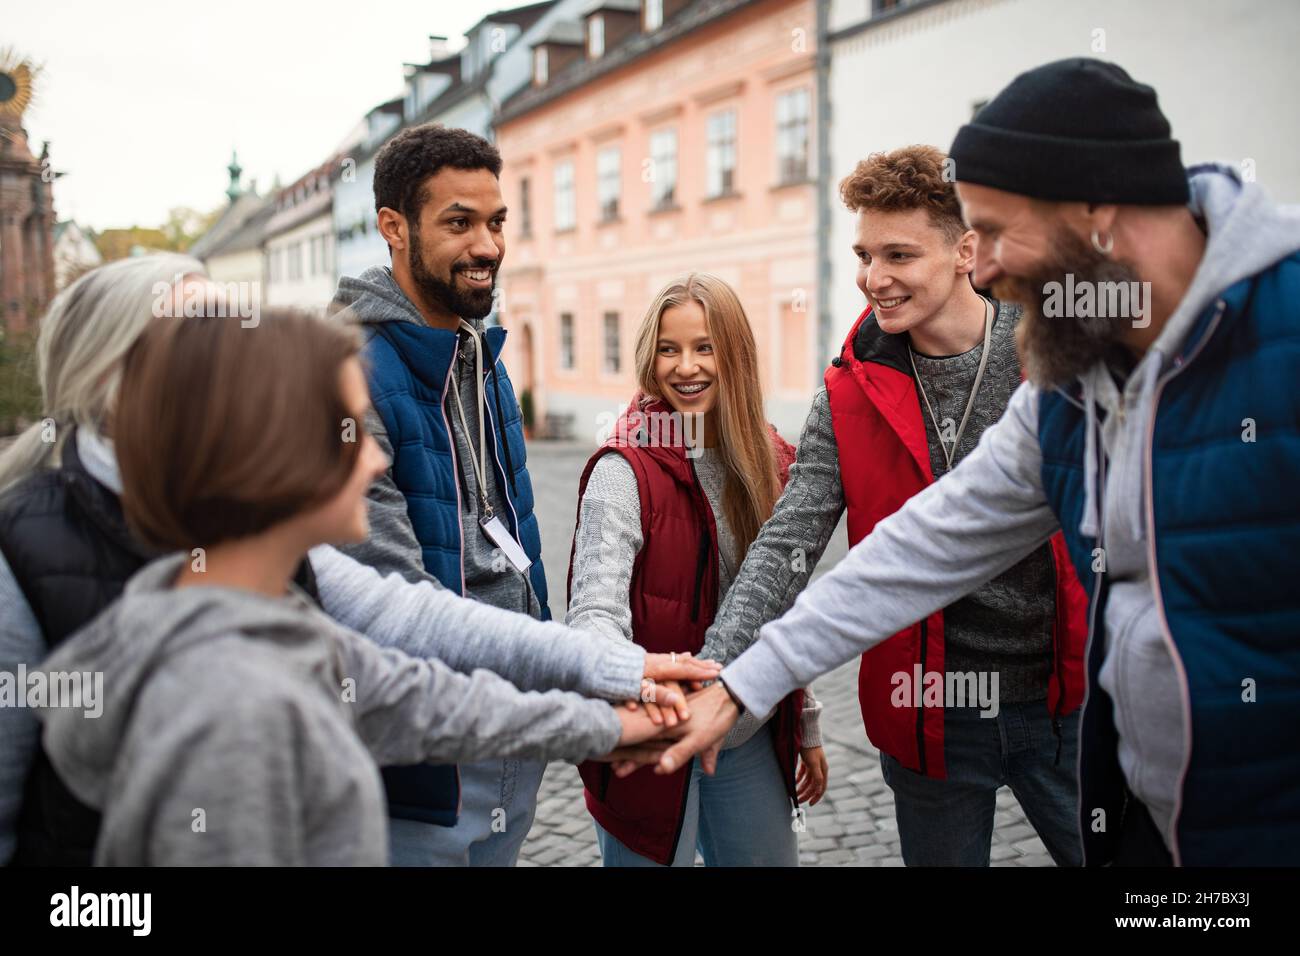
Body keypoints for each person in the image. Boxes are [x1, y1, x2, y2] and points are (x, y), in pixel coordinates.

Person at [649, 58, 1300, 867]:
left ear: (1096, 206)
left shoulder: (1273, 330)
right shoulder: (1071, 377)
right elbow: (923, 544)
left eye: (993, 231)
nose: (985, 266)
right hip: (1128, 814)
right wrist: (742, 677)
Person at [0, 256, 717, 866]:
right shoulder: (222, 696)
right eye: (350, 430)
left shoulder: (238, 591)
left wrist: (616, 705)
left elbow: (404, 684)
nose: (378, 455)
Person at [699, 147, 1087, 866]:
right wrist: (720, 669)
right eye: (864, 254)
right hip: (930, 716)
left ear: (966, 249)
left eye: (899, 255)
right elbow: (790, 540)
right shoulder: (849, 389)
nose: (874, 279)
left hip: (1066, 698)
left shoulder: (1053, 354)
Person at [328, 123, 555, 866]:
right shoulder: (346, 377)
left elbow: (511, 538)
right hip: (422, 759)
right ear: (393, 228)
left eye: (496, 222)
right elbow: (387, 594)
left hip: (510, 729)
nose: (487, 246)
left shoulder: (479, 354)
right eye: (458, 223)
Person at [567, 273, 826, 866]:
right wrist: (635, 696)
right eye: (669, 348)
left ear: (734, 353)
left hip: (748, 729)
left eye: (704, 346)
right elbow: (594, 612)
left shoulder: (768, 458)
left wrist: (804, 723)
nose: (686, 367)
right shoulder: (624, 467)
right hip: (651, 737)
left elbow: (777, 607)